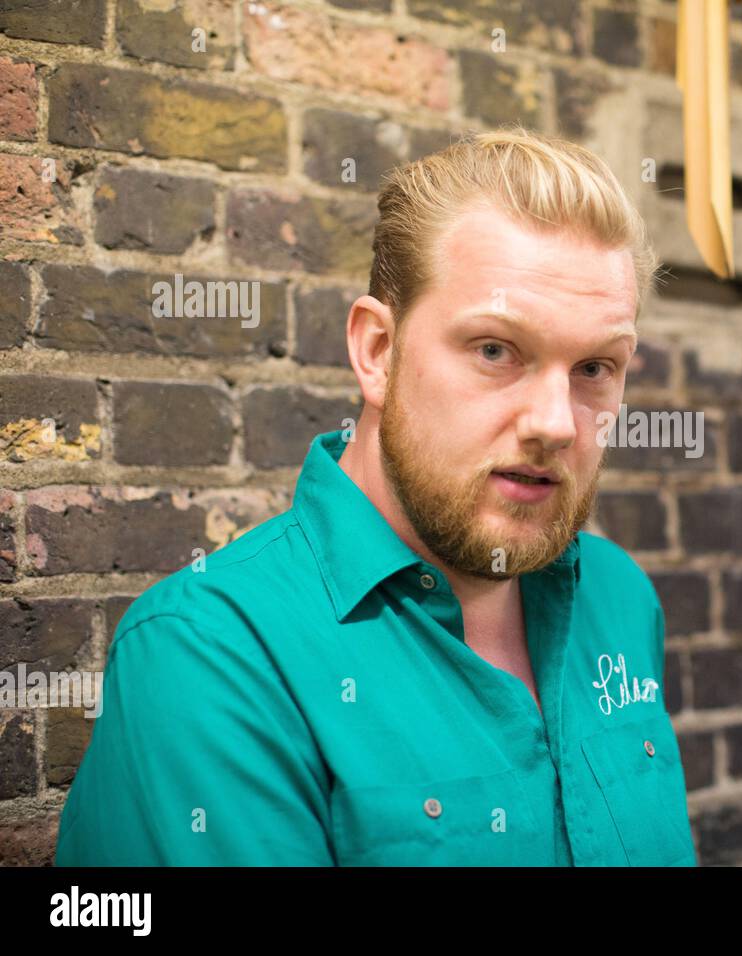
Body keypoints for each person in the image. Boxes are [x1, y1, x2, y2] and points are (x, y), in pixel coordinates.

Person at [54, 126, 697, 867]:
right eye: (495, 350)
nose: (555, 423)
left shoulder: (616, 598)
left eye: (594, 367)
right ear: (377, 352)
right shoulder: (210, 656)